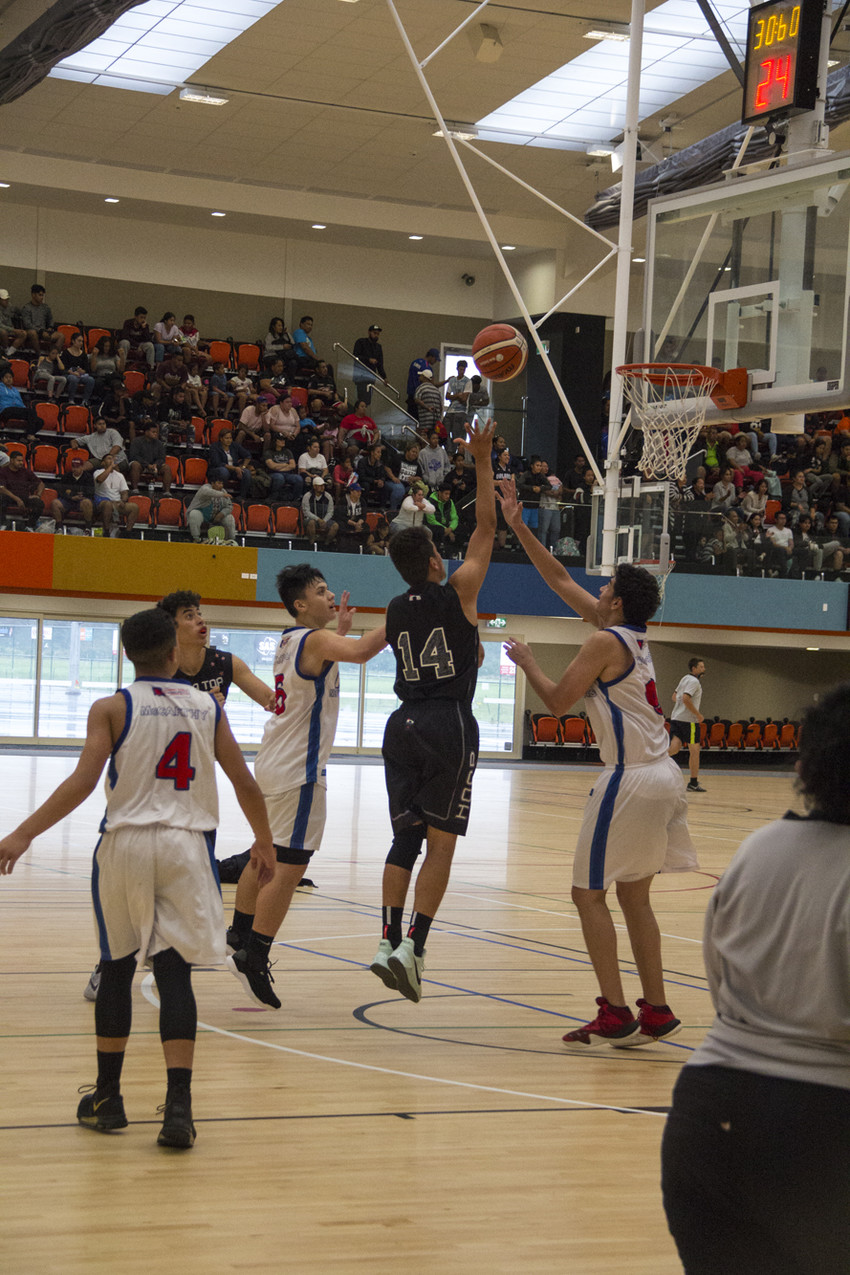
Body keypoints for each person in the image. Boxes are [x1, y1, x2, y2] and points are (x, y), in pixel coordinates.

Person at [0, 608, 274, 1148]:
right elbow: (244, 779)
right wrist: (263, 842)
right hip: (187, 847)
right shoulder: (208, 707)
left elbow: (82, 783)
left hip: (125, 845)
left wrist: (23, 834)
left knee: (117, 967)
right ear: (174, 652)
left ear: (127, 654)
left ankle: (108, 1099)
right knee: (174, 976)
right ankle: (178, 1109)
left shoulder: (111, 708)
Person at [497, 476, 696, 1045]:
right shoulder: (627, 635)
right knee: (635, 895)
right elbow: (559, 579)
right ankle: (655, 1008)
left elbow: (558, 702)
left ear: (618, 601)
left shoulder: (603, 643)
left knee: (588, 894)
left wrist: (528, 660)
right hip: (661, 776)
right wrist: (519, 526)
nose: (599, 588)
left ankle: (615, 1010)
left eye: (606, 585)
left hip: (629, 778)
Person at [662, 683, 850, 1274]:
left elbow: (721, 985)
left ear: (806, 764)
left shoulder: (759, 849)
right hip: (821, 1127)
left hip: (707, 1112)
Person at [369, 417, 495, 1003]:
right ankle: (414, 950)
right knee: (442, 844)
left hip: (401, 725)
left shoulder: (394, 610)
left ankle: (385, 938)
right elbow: (486, 530)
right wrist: (483, 458)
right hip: (448, 720)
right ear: (437, 562)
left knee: (404, 841)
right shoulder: (459, 589)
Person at [226, 568, 387, 1008]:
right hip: (298, 768)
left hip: (276, 760)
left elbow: (329, 659)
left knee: (265, 852)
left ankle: (239, 930)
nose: (331, 594)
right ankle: (254, 954)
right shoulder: (313, 640)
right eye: (320, 592)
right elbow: (363, 651)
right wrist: (405, 610)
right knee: (290, 866)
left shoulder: (293, 640)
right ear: (300, 604)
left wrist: (337, 631)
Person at [668, 658, 707, 792]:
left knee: (674, 748)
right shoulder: (694, 682)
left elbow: (674, 696)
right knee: (695, 751)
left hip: (676, 717)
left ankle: (653, 764)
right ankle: (693, 782)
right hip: (689, 721)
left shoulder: (684, 678)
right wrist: (697, 714)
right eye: (701, 667)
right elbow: (685, 698)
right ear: (694, 668)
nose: (704, 669)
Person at [0, 450, 44, 527]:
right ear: (11, 460)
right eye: (18, 460)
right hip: (9, 497)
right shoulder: (3, 471)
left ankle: (29, 526)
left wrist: (38, 495)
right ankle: (3, 524)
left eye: (22, 461)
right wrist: (17, 499)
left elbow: (41, 483)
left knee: (39, 503)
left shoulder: (26, 471)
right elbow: (2, 488)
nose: (21, 463)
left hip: (24, 497)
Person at [186, 477, 237, 544]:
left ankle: (232, 540)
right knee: (194, 514)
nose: (221, 485)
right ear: (212, 483)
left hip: (216, 516)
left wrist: (221, 514)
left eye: (222, 483)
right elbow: (209, 492)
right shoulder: (204, 488)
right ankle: (196, 539)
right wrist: (222, 494)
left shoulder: (224, 491)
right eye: (219, 483)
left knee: (230, 518)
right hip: (203, 514)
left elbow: (229, 506)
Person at [353, 323, 386, 404]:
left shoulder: (378, 347)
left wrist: (384, 377)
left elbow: (380, 364)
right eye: (374, 333)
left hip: (371, 377)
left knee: (368, 401)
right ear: (369, 332)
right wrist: (368, 360)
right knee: (361, 400)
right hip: (360, 375)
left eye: (378, 334)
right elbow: (355, 356)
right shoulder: (361, 342)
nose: (376, 335)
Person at [405, 346, 440, 416]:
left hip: (410, 395)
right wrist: (446, 381)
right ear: (431, 357)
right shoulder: (427, 368)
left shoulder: (415, 362)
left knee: (411, 420)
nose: (435, 361)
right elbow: (432, 385)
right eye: (435, 359)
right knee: (418, 421)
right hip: (420, 398)